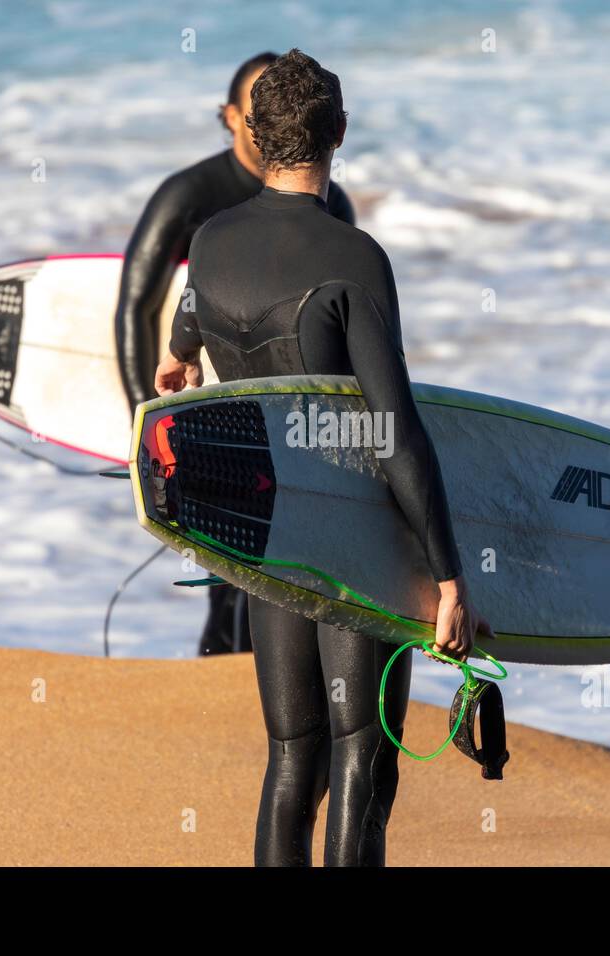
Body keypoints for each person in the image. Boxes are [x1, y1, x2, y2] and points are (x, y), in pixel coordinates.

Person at [154, 50, 492, 866]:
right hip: (356, 537)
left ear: (255, 133)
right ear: (338, 133)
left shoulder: (212, 240)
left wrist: (177, 361)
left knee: (291, 754)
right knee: (362, 757)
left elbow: (183, 342)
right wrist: (449, 573)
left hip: (268, 532)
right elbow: (396, 432)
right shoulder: (353, 256)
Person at [115, 52, 355, 658]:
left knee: (278, 580)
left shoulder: (332, 205)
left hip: (295, 431)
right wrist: (142, 426)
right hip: (216, 415)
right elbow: (134, 308)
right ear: (232, 117)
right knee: (230, 581)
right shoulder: (191, 197)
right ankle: (225, 698)